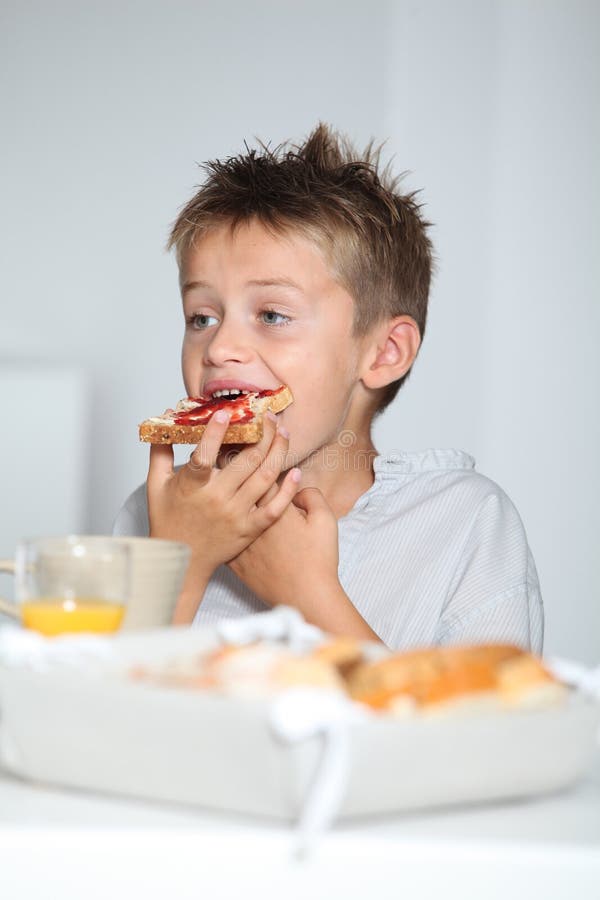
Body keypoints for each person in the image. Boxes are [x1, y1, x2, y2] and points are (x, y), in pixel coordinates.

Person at [114, 123, 543, 652]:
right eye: (201, 317)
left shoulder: (465, 523)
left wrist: (310, 595)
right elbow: (100, 723)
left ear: (384, 353)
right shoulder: (157, 511)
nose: (220, 346)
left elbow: (474, 737)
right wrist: (177, 561)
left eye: (271, 314)